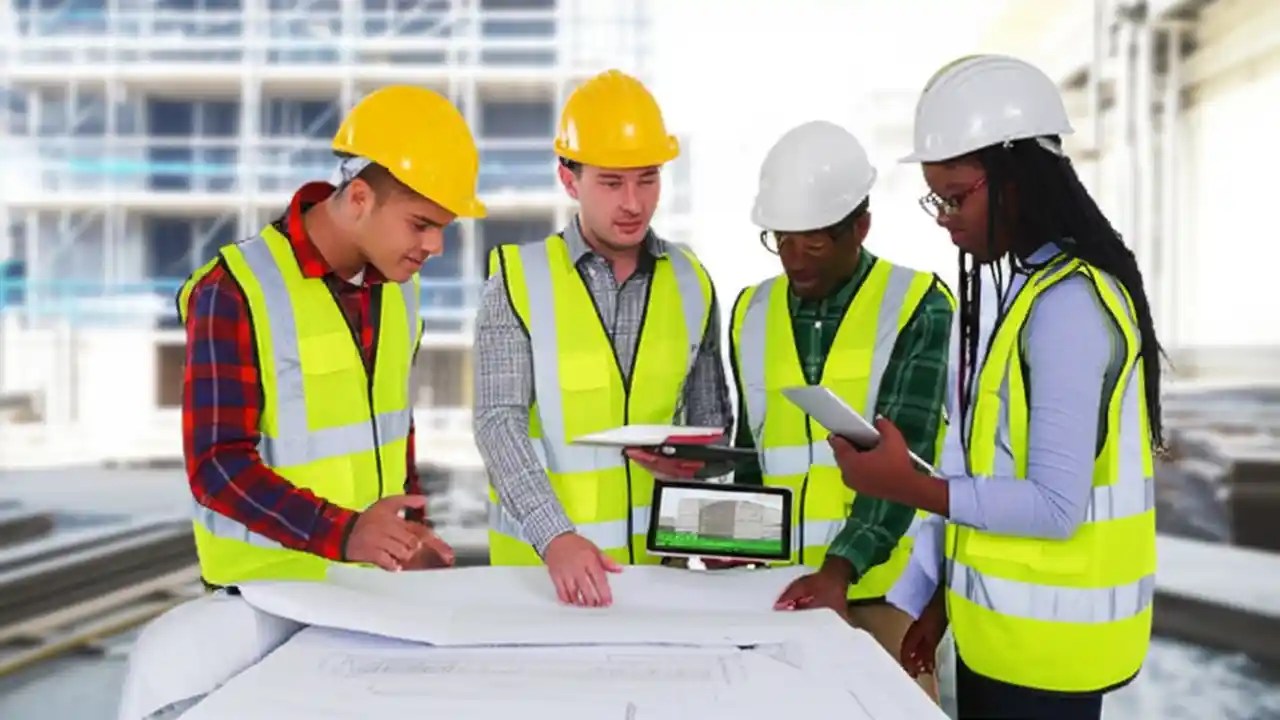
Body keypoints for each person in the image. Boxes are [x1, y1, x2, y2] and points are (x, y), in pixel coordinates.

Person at [117, 85, 484, 720]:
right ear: (360, 198)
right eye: (422, 224)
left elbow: (392, 426)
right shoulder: (235, 290)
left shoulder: (398, 290)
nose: (435, 248)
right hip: (261, 603)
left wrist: (406, 532)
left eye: (444, 229)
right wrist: (345, 533)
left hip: (368, 598)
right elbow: (217, 465)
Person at [833, 54, 1162, 720]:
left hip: (1049, 662)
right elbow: (989, 470)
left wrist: (903, 485)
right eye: (937, 199)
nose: (944, 217)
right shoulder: (1020, 293)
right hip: (1005, 646)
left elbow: (1053, 506)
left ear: (1016, 179)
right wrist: (940, 602)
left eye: (956, 197)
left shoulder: (1067, 307)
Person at [473, 68, 733, 608]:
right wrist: (555, 537)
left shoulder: (692, 281)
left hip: (655, 581)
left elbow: (711, 432)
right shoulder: (517, 281)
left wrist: (694, 472)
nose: (634, 203)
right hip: (543, 583)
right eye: (612, 183)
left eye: (648, 179)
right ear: (570, 181)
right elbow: (498, 424)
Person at [727, 120, 954, 702]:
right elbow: (753, 451)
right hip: (777, 597)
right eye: (780, 238)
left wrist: (839, 569)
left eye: (814, 241)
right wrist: (730, 551)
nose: (794, 258)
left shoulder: (917, 307)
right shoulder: (750, 311)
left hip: (884, 598)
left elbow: (910, 463)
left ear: (861, 226)